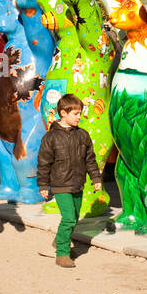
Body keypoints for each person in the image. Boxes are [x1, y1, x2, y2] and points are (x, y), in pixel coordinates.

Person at [36, 93, 101, 268]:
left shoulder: (83, 135)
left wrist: (96, 178)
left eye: (80, 113)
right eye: (75, 113)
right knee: (70, 219)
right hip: (60, 184)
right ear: (63, 113)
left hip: (77, 183)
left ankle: (59, 241)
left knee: (75, 216)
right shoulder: (50, 137)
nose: (79, 117)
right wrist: (43, 185)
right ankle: (62, 253)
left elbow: (90, 159)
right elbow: (43, 163)